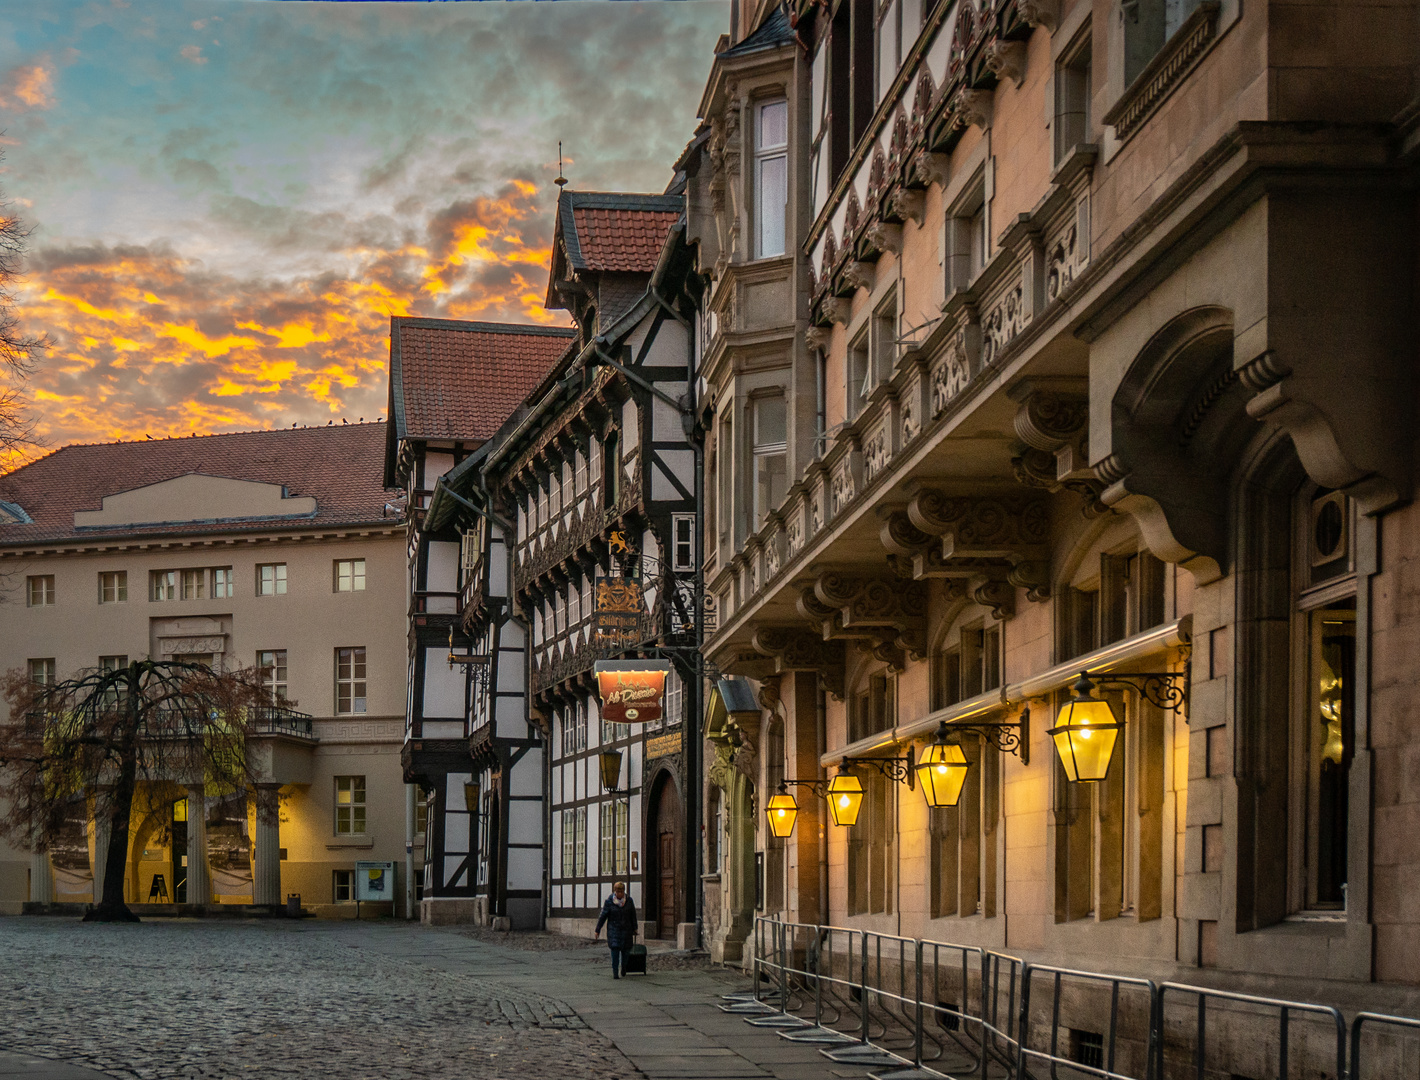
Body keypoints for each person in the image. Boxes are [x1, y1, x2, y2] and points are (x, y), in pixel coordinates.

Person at [593, 880, 637, 979]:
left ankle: (624, 967)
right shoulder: (609, 902)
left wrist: (635, 928)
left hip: (626, 930)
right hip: (614, 930)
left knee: (626, 952)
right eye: (618, 892)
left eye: (621, 892)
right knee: (615, 951)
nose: (620, 894)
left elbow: (633, 915)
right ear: (615, 892)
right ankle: (615, 972)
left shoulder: (629, 901)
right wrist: (597, 929)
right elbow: (603, 916)